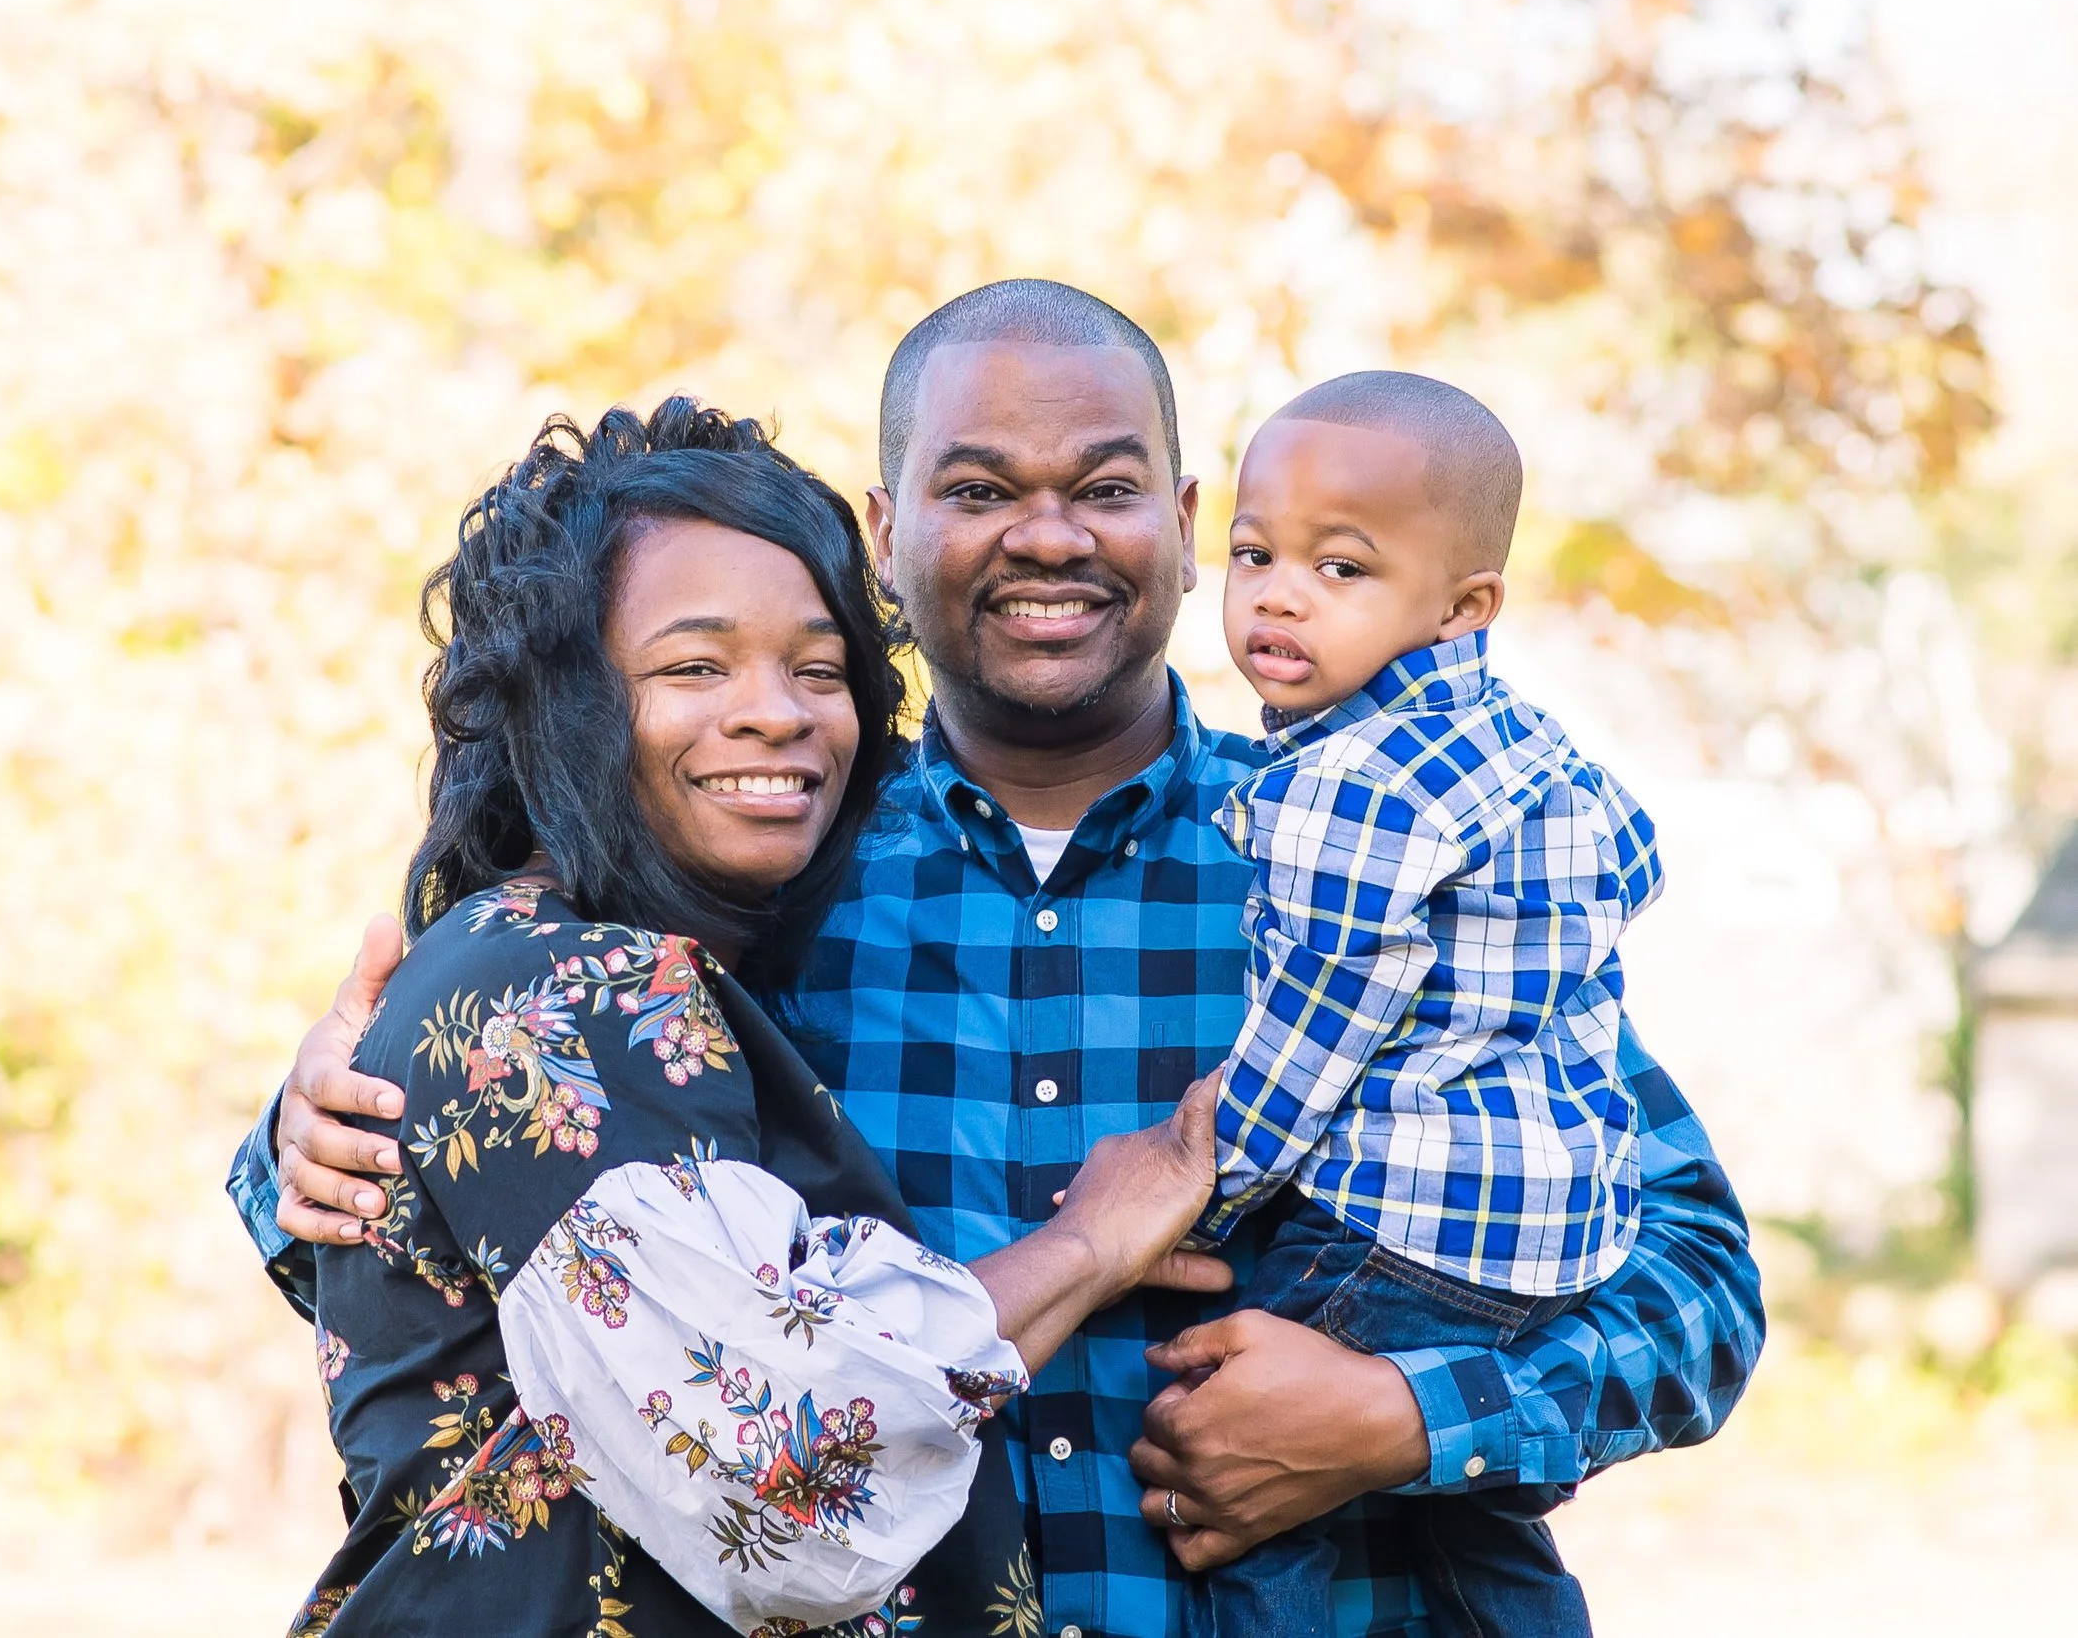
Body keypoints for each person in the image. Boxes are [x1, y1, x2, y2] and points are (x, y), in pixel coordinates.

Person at [243, 281, 1767, 1638]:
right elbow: (496, 1176)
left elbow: (1695, 1284)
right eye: (979, 488)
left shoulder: (1376, 860)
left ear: (1182, 523)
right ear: (889, 534)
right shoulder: (759, 859)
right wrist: (299, 1139)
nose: (1049, 534)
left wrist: (1404, 1414)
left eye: (1104, 488)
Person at [288, 395, 1231, 1638]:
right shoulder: (567, 986)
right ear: (568, 700)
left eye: (819, 667)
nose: (776, 712)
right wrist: (1092, 1242)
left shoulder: (720, 940)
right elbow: (783, 1451)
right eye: (694, 665)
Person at [1180, 372, 1664, 1638]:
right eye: (1252, 552)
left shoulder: (1350, 787)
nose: (1278, 592)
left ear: (1464, 604)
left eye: (1342, 569)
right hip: (1550, 1230)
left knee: (1239, 1472)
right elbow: (1636, 856)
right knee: (1474, 1514)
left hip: (1401, 1218)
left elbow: (1318, 1019)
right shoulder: (1534, 750)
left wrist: (1208, 1186)